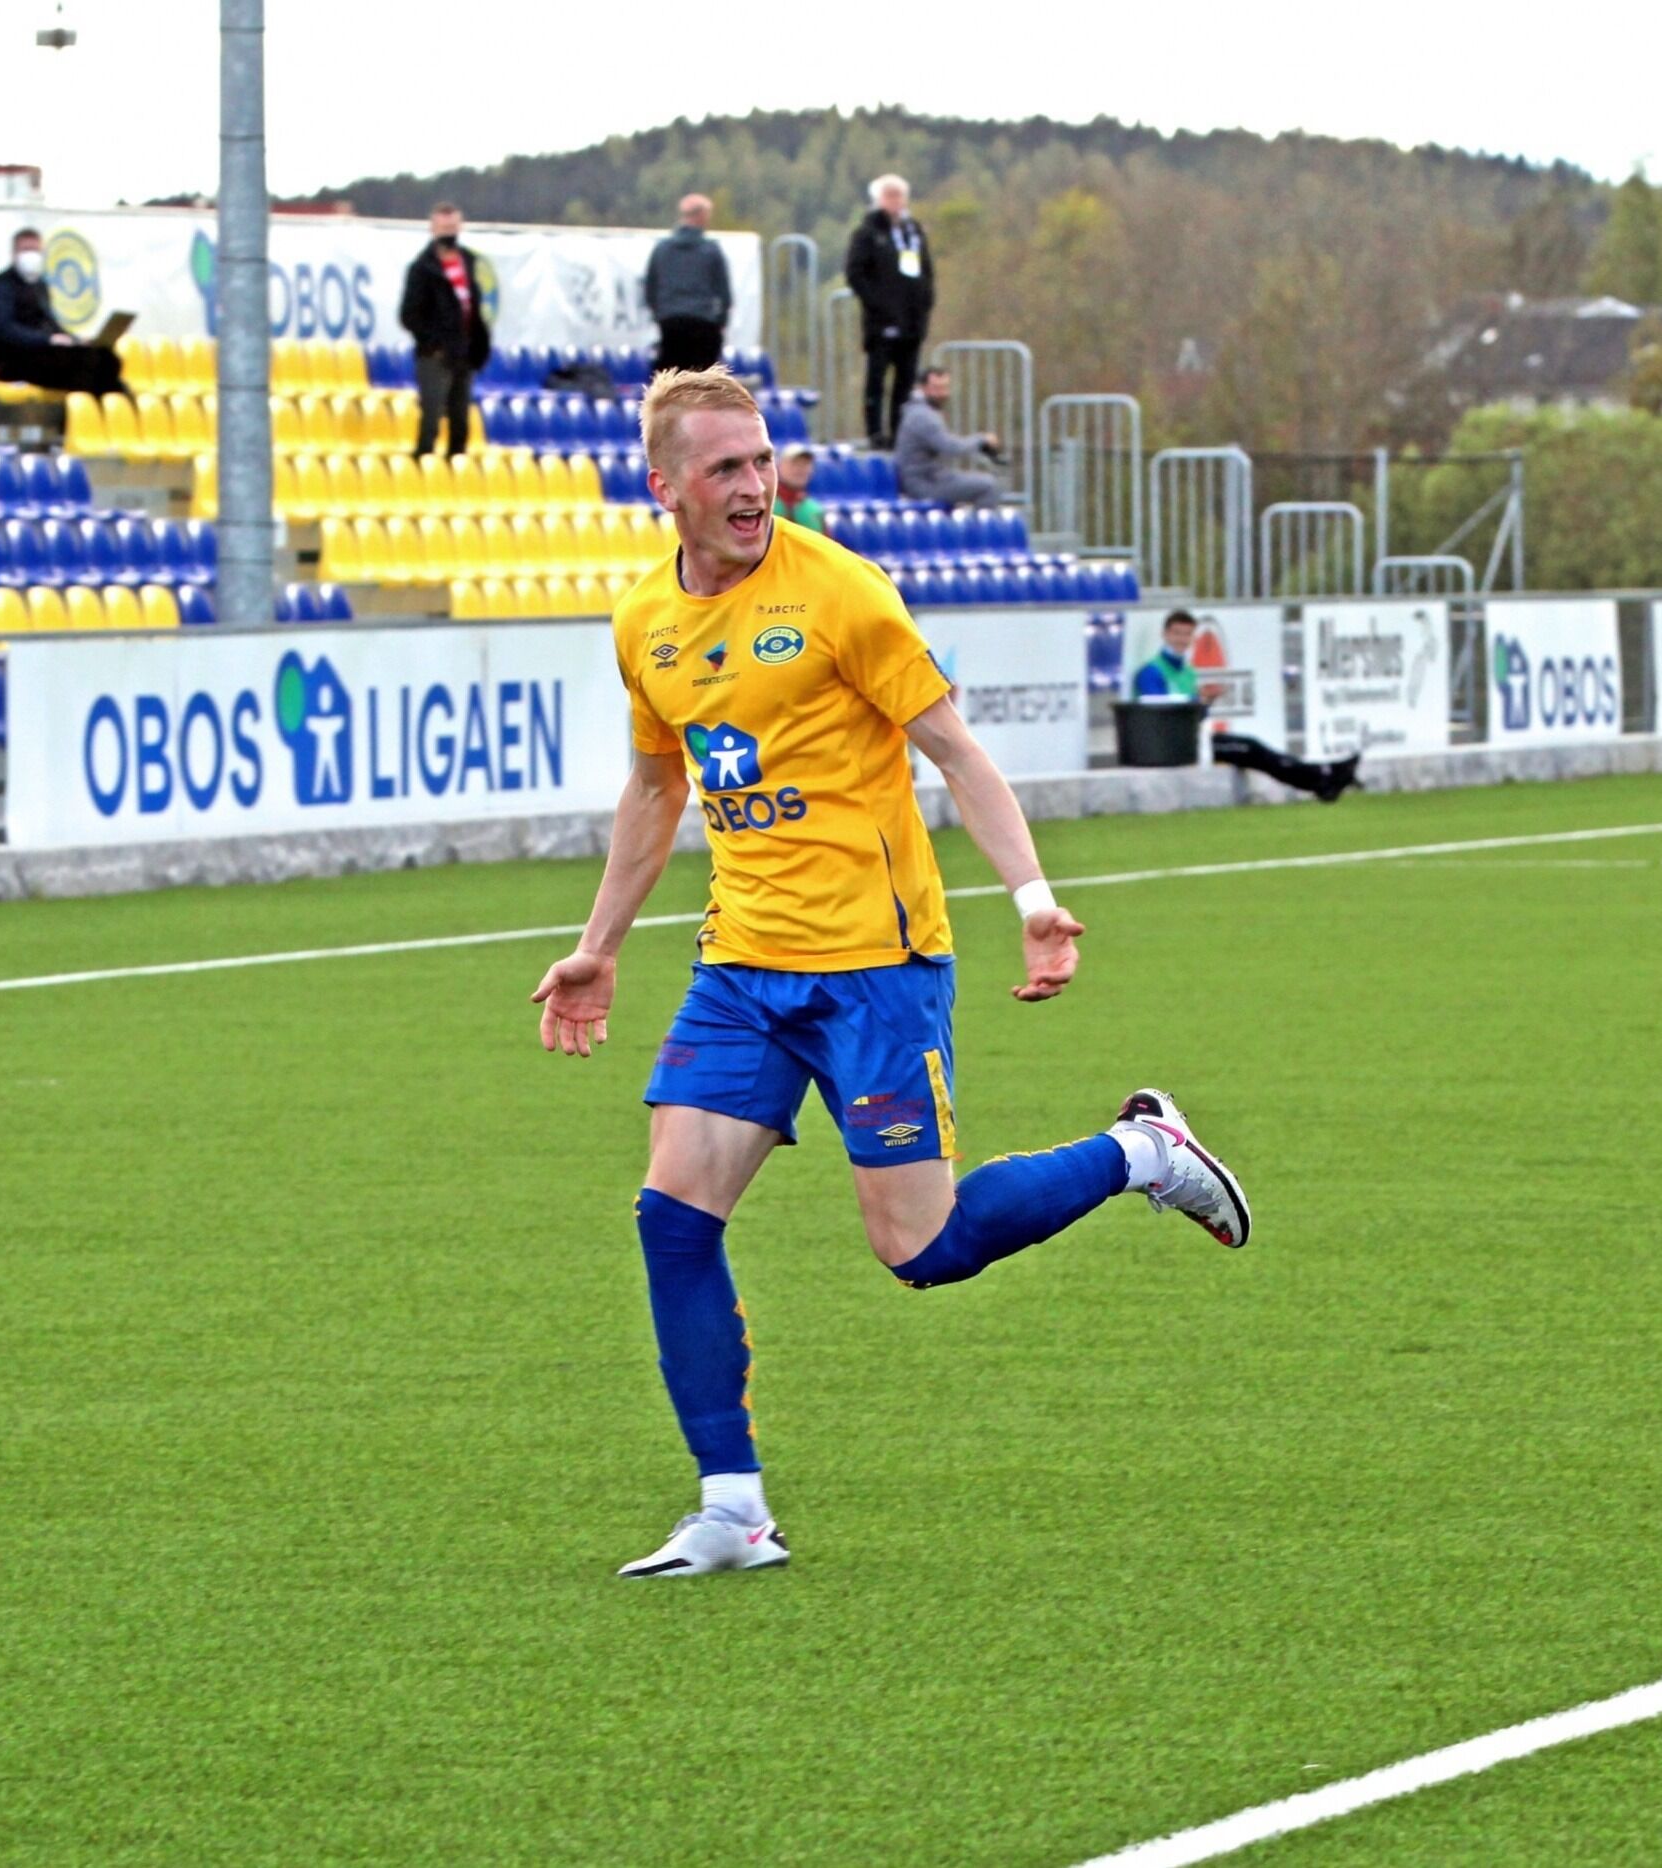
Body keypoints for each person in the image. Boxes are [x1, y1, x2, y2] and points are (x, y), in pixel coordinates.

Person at [528, 367, 1252, 1579]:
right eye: (725, 467)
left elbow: (956, 753)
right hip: (742, 964)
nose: (754, 485)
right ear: (665, 487)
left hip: (877, 965)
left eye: (762, 459)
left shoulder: (842, 591)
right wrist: (599, 944)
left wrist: (1034, 900)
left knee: (924, 1247)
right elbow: (656, 787)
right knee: (672, 1215)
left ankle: (1142, 1150)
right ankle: (732, 1508)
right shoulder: (642, 620)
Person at [1135, 610, 1360, 802]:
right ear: (1165, 635)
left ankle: (1322, 777)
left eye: (1186, 634)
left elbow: (1194, 715)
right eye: (1176, 633)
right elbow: (1158, 714)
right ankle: (1322, 777)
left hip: (1191, 740)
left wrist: (1205, 702)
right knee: (1251, 750)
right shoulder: (1151, 671)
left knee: (1253, 749)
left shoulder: (1187, 672)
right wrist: (1197, 701)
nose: (1181, 640)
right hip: (1170, 746)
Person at [843, 173, 933, 449]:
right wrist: (877, 304)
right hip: (881, 322)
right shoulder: (868, 232)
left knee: (906, 381)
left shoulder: (913, 231)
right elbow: (855, 273)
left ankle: (900, 434)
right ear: (878, 199)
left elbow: (926, 270)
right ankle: (875, 432)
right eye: (889, 195)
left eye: (899, 195)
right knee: (877, 379)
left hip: (912, 321)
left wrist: (925, 303)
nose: (895, 201)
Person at [0, 229, 126, 396]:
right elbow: (3, 330)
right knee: (84, 363)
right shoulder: (2, 285)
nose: (31, 255)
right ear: (14, 254)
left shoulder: (40, 286)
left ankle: (108, 406)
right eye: (26, 249)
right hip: (15, 360)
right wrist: (47, 339)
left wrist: (75, 340)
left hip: (43, 353)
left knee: (107, 358)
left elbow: (51, 323)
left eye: (36, 250)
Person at [398, 203, 490, 457]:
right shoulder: (422, 268)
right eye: (443, 228)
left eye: (452, 227)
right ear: (433, 229)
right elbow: (408, 315)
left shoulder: (469, 262)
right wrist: (433, 344)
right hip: (435, 355)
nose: (448, 233)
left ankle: (455, 470)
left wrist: (478, 345)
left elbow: (474, 307)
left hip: (463, 352)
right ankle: (423, 467)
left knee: (460, 420)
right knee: (432, 417)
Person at [644, 194, 732, 373]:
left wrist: (659, 315)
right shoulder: (711, 250)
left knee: (671, 377)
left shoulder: (661, 249)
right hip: (703, 321)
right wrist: (721, 320)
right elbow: (724, 292)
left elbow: (650, 287)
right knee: (703, 378)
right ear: (701, 216)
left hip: (670, 322)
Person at [894, 367, 1004, 507]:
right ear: (921, 388)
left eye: (945, 387)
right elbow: (950, 446)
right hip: (923, 483)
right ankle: (978, 522)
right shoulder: (922, 415)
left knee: (979, 482)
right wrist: (982, 440)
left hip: (931, 477)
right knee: (989, 487)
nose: (942, 393)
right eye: (936, 388)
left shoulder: (920, 410)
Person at [770, 445, 825, 533]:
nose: (800, 469)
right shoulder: (764, 505)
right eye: (795, 464)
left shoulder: (815, 509)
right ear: (779, 466)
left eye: (805, 464)